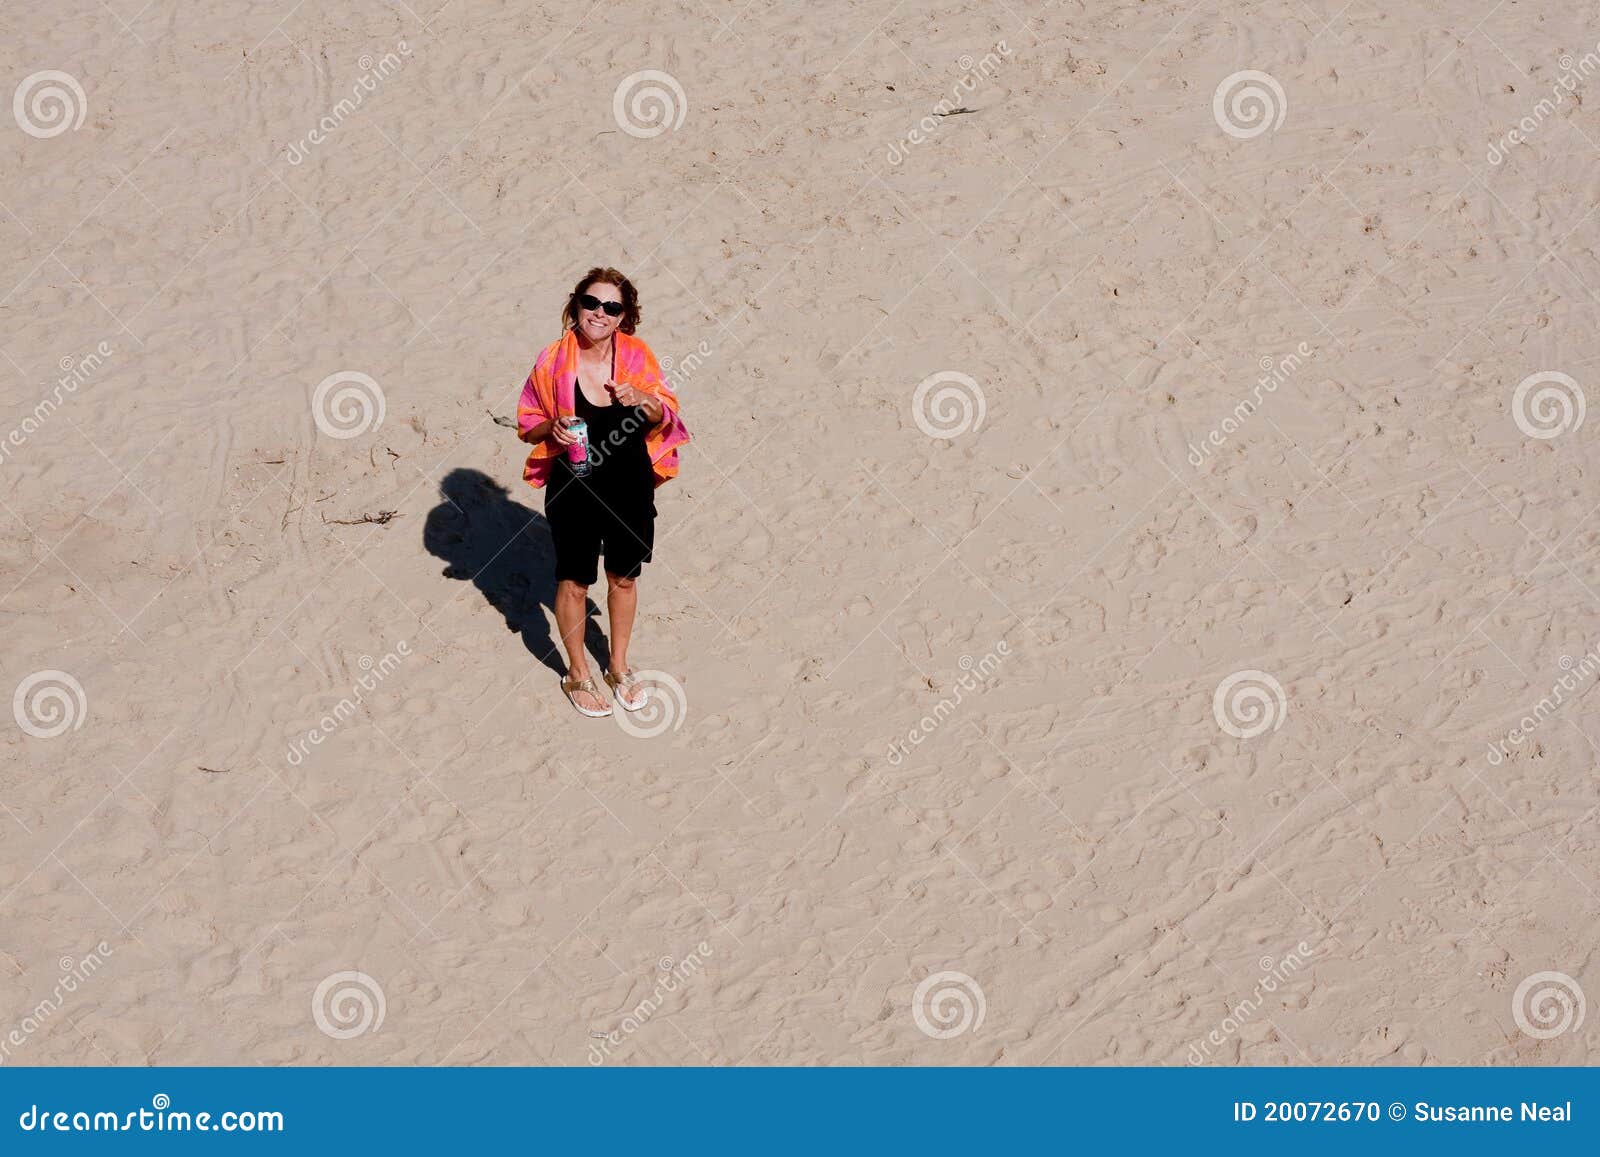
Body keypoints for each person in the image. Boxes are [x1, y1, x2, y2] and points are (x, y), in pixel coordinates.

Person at [516, 268, 690, 717]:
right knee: (574, 581)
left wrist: (641, 398)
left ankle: (618, 666)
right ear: (576, 304)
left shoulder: (636, 356)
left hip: (628, 483)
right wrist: (548, 427)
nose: (600, 313)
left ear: (623, 316)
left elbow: (664, 412)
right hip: (572, 485)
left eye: (612, 307)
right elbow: (526, 423)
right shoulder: (553, 360)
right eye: (592, 303)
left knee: (624, 578)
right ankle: (577, 672)